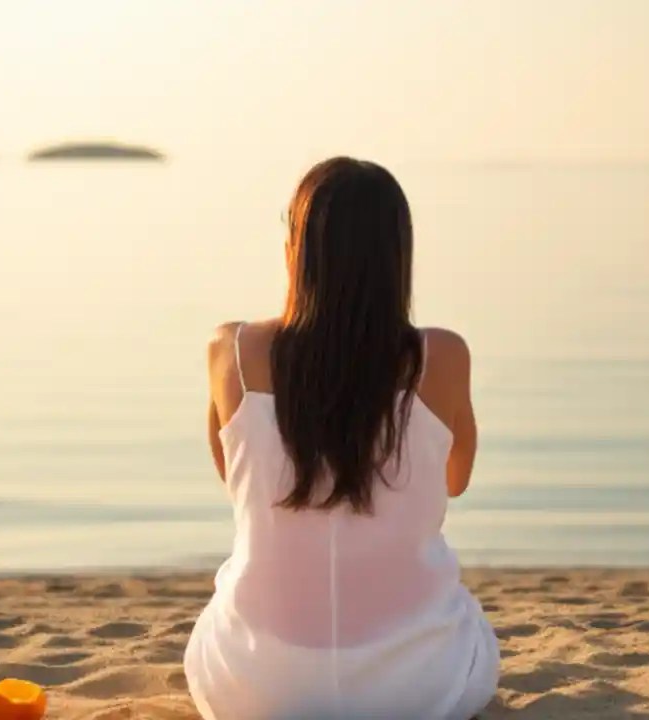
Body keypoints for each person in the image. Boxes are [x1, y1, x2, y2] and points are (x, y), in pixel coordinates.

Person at [184, 157, 499, 719]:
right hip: (416, 687)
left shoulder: (230, 352)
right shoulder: (442, 358)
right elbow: (456, 480)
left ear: (297, 251)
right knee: (468, 622)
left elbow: (237, 479)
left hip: (255, 688)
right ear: (398, 258)